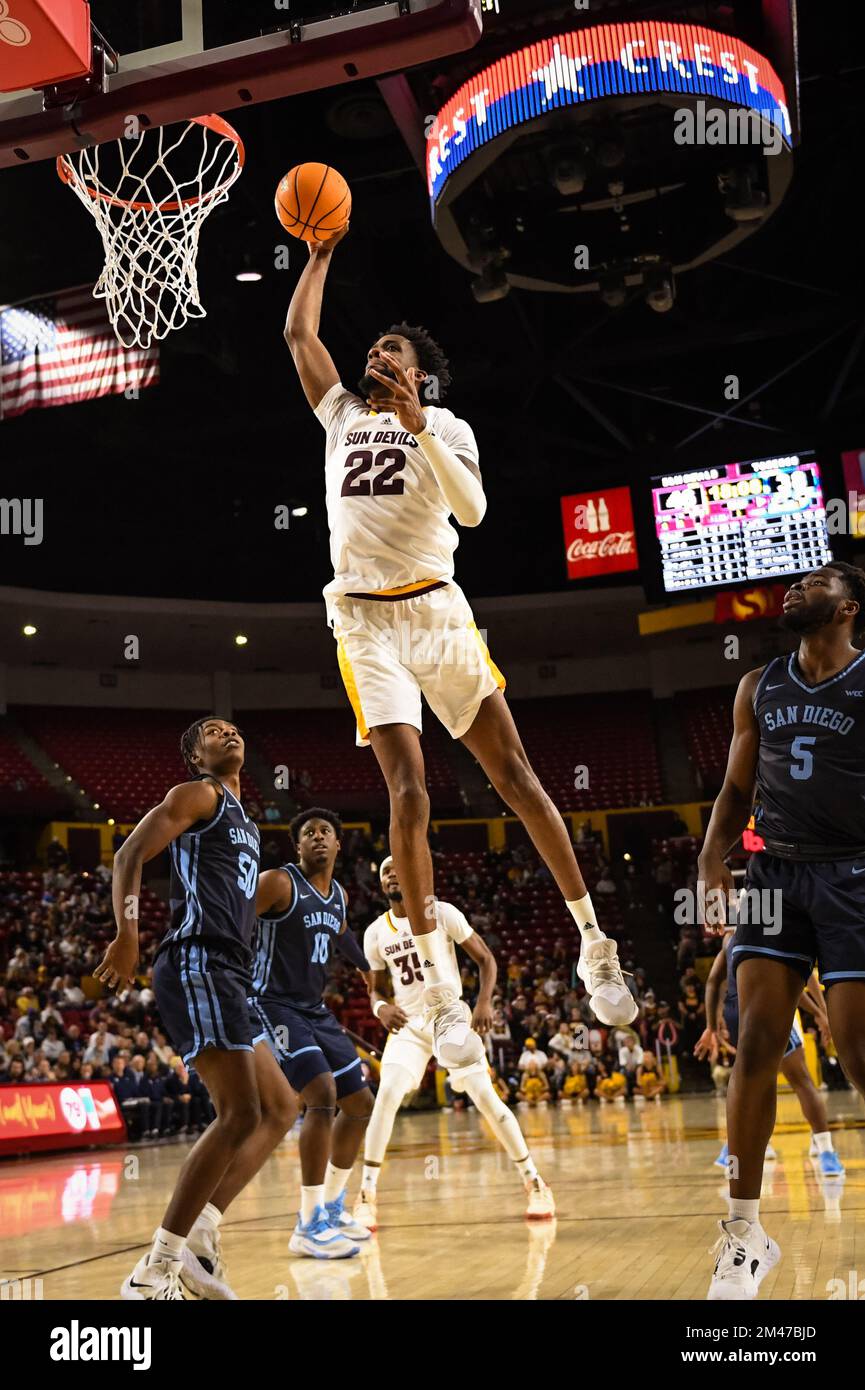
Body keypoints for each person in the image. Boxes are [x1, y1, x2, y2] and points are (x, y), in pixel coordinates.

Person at [283, 225, 636, 1067]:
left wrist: (421, 424)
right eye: (371, 345)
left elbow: (472, 513)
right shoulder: (339, 416)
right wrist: (322, 256)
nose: (374, 354)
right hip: (365, 619)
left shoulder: (446, 424)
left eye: (391, 348)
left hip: (438, 610)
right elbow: (300, 336)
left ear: (421, 373)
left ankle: (594, 945)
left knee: (513, 775)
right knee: (407, 794)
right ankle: (439, 998)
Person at [699, 563, 865, 1300]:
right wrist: (710, 862)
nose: (799, 585)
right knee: (758, 1040)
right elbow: (738, 788)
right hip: (774, 876)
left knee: (857, 1052)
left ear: (849, 607)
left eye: (819, 580)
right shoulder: (757, 685)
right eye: (797, 580)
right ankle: (742, 1235)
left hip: (854, 874)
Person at [95, 716, 297, 1301]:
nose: (227, 733)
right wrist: (126, 935)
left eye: (232, 728)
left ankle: (201, 1238)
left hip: (230, 969)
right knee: (239, 1112)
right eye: (211, 731)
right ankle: (154, 1270)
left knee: (281, 1107)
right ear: (194, 756)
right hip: (196, 959)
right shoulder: (198, 794)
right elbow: (129, 854)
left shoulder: (250, 824)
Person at [353, 857, 554, 1229]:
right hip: (411, 1027)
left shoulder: (441, 911)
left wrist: (482, 1002)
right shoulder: (375, 932)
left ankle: (534, 1181)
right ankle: (366, 1194)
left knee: (486, 1098)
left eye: (399, 866)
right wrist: (381, 1008)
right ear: (381, 886)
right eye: (386, 872)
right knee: (386, 1097)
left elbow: (486, 959)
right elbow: (376, 990)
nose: (394, 873)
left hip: (449, 1017)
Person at [250, 808, 375, 1259]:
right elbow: (235, 919)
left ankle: (335, 1205)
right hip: (271, 1003)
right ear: (297, 846)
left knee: (360, 1103)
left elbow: (340, 932)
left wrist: (364, 967)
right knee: (321, 1093)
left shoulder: (338, 894)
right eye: (309, 833)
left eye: (326, 831)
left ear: (339, 845)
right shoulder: (278, 883)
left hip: (315, 1009)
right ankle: (307, 1222)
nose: (318, 837)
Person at [695, 926, 844, 1174]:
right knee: (800, 1080)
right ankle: (826, 1149)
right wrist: (820, 1012)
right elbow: (801, 979)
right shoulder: (775, 929)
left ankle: (738, 1147)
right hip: (766, 1011)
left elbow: (713, 981)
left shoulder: (730, 938)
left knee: (748, 1083)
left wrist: (711, 1025)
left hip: (738, 1015)